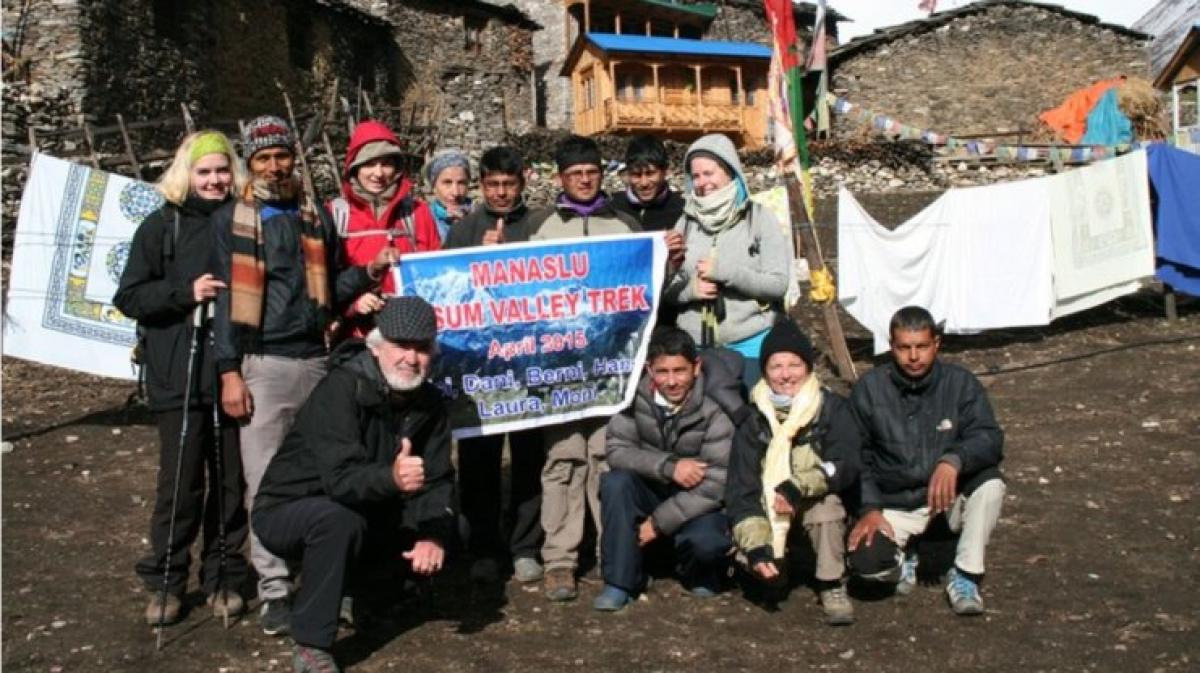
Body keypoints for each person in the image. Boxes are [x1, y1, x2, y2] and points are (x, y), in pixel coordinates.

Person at [210, 115, 395, 636]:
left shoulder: (314, 216)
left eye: (282, 155)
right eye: (263, 157)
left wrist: (370, 270)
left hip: (317, 357)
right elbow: (226, 302)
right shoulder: (234, 220)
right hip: (262, 362)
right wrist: (229, 371)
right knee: (264, 476)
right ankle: (273, 586)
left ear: (294, 157)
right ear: (252, 162)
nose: (274, 165)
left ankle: (326, 577)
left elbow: (334, 284)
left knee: (328, 469)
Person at [252, 297, 455, 673]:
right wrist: (392, 478)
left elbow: (439, 478)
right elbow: (340, 479)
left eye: (422, 348)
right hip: (291, 507)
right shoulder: (341, 389)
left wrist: (433, 535)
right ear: (376, 346)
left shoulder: (430, 403)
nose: (411, 359)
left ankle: (359, 591)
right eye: (401, 346)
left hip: (367, 505)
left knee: (446, 527)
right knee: (338, 520)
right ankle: (312, 644)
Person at [114, 130, 251, 626]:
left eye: (222, 170)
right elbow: (129, 296)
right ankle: (168, 580)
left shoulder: (244, 221)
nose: (215, 180)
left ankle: (225, 576)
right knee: (181, 484)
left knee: (231, 482)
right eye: (204, 171)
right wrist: (183, 291)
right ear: (186, 174)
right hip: (179, 369)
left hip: (235, 370)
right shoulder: (161, 227)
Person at [527, 135, 641, 601]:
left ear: (601, 174)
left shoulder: (625, 227)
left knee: (605, 458)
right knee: (562, 461)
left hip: (611, 371)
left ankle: (610, 553)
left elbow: (645, 292)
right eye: (575, 173)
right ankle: (559, 559)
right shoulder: (543, 232)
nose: (585, 179)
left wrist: (668, 262)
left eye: (592, 172)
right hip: (562, 371)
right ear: (561, 178)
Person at [846, 306, 1006, 616]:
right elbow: (856, 456)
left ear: (936, 344)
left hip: (944, 503)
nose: (914, 356)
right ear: (892, 347)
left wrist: (954, 460)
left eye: (921, 346)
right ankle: (905, 554)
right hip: (895, 502)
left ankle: (965, 574)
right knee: (867, 566)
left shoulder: (960, 384)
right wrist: (868, 509)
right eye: (905, 347)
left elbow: (989, 436)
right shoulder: (870, 389)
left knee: (990, 483)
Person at [442, 146, 545, 584]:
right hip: (480, 365)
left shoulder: (542, 225)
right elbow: (446, 291)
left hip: (532, 361)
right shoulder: (464, 229)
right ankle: (483, 546)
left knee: (529, 457)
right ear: (481, 186)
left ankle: (525, 546)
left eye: (509, 184)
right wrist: (478, 263)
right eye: (492, 185)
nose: (502, 193)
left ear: (523, 182)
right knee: (479, 457)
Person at [725, 319, 861, 625]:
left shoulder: (831, 409)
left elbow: (846, 462)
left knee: (828, 509)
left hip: (813, 498)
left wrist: (797, 486)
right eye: (776, 366)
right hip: (767, 504)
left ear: (808, 368)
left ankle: (831, 582)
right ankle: (775, 563)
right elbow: (741, 490)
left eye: (794, 365)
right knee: (753, 557)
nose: (786, 375)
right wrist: (758, 546)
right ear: (764, 372)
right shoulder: (752, 419)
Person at [593, 327, 735, 612]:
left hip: (698, 502)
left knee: (707, 543)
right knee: (615, 483)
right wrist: (668, 467)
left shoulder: (716, 408)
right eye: (662, 372)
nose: (671, 381)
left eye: (680, 371)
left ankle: (696, 570)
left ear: (696, 368)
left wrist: (657, 524)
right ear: (649, 369)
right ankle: (620, 582)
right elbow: (618, 450)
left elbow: (717, 482)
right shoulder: (634, 399)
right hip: (652, 489)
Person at [664, 133, 790, 390]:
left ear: (730, 172)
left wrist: (726, 272)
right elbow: (666, 291)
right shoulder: (685, 222)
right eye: (695, 176)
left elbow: (779, 284)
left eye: (709, 173)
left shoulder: (759, 218)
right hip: (695, 348)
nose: (702, 182)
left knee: (752, 419)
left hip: (751, 344)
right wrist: (690, 291)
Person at [331, 120, 440, 340]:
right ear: (354, 168)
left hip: (411, 336)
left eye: (387, 163)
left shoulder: (417, 213)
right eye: (369, 164)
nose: (378, 173)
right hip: (355, 338)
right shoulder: (335, 215)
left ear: (398, 168)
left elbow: (436, 275)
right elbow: (323, 282)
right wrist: (352, 305)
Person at [611, 134, 685, 232]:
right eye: (636, 175)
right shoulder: (612, 208)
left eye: (650, 173)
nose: (644, 183)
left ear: (665, 171)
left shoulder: (681, 210)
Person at [425, 149, 472, 242]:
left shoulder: (480, 218)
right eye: (447, 182)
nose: (455, 192)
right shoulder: (423, 222)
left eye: (461, 183)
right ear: (434, 187)